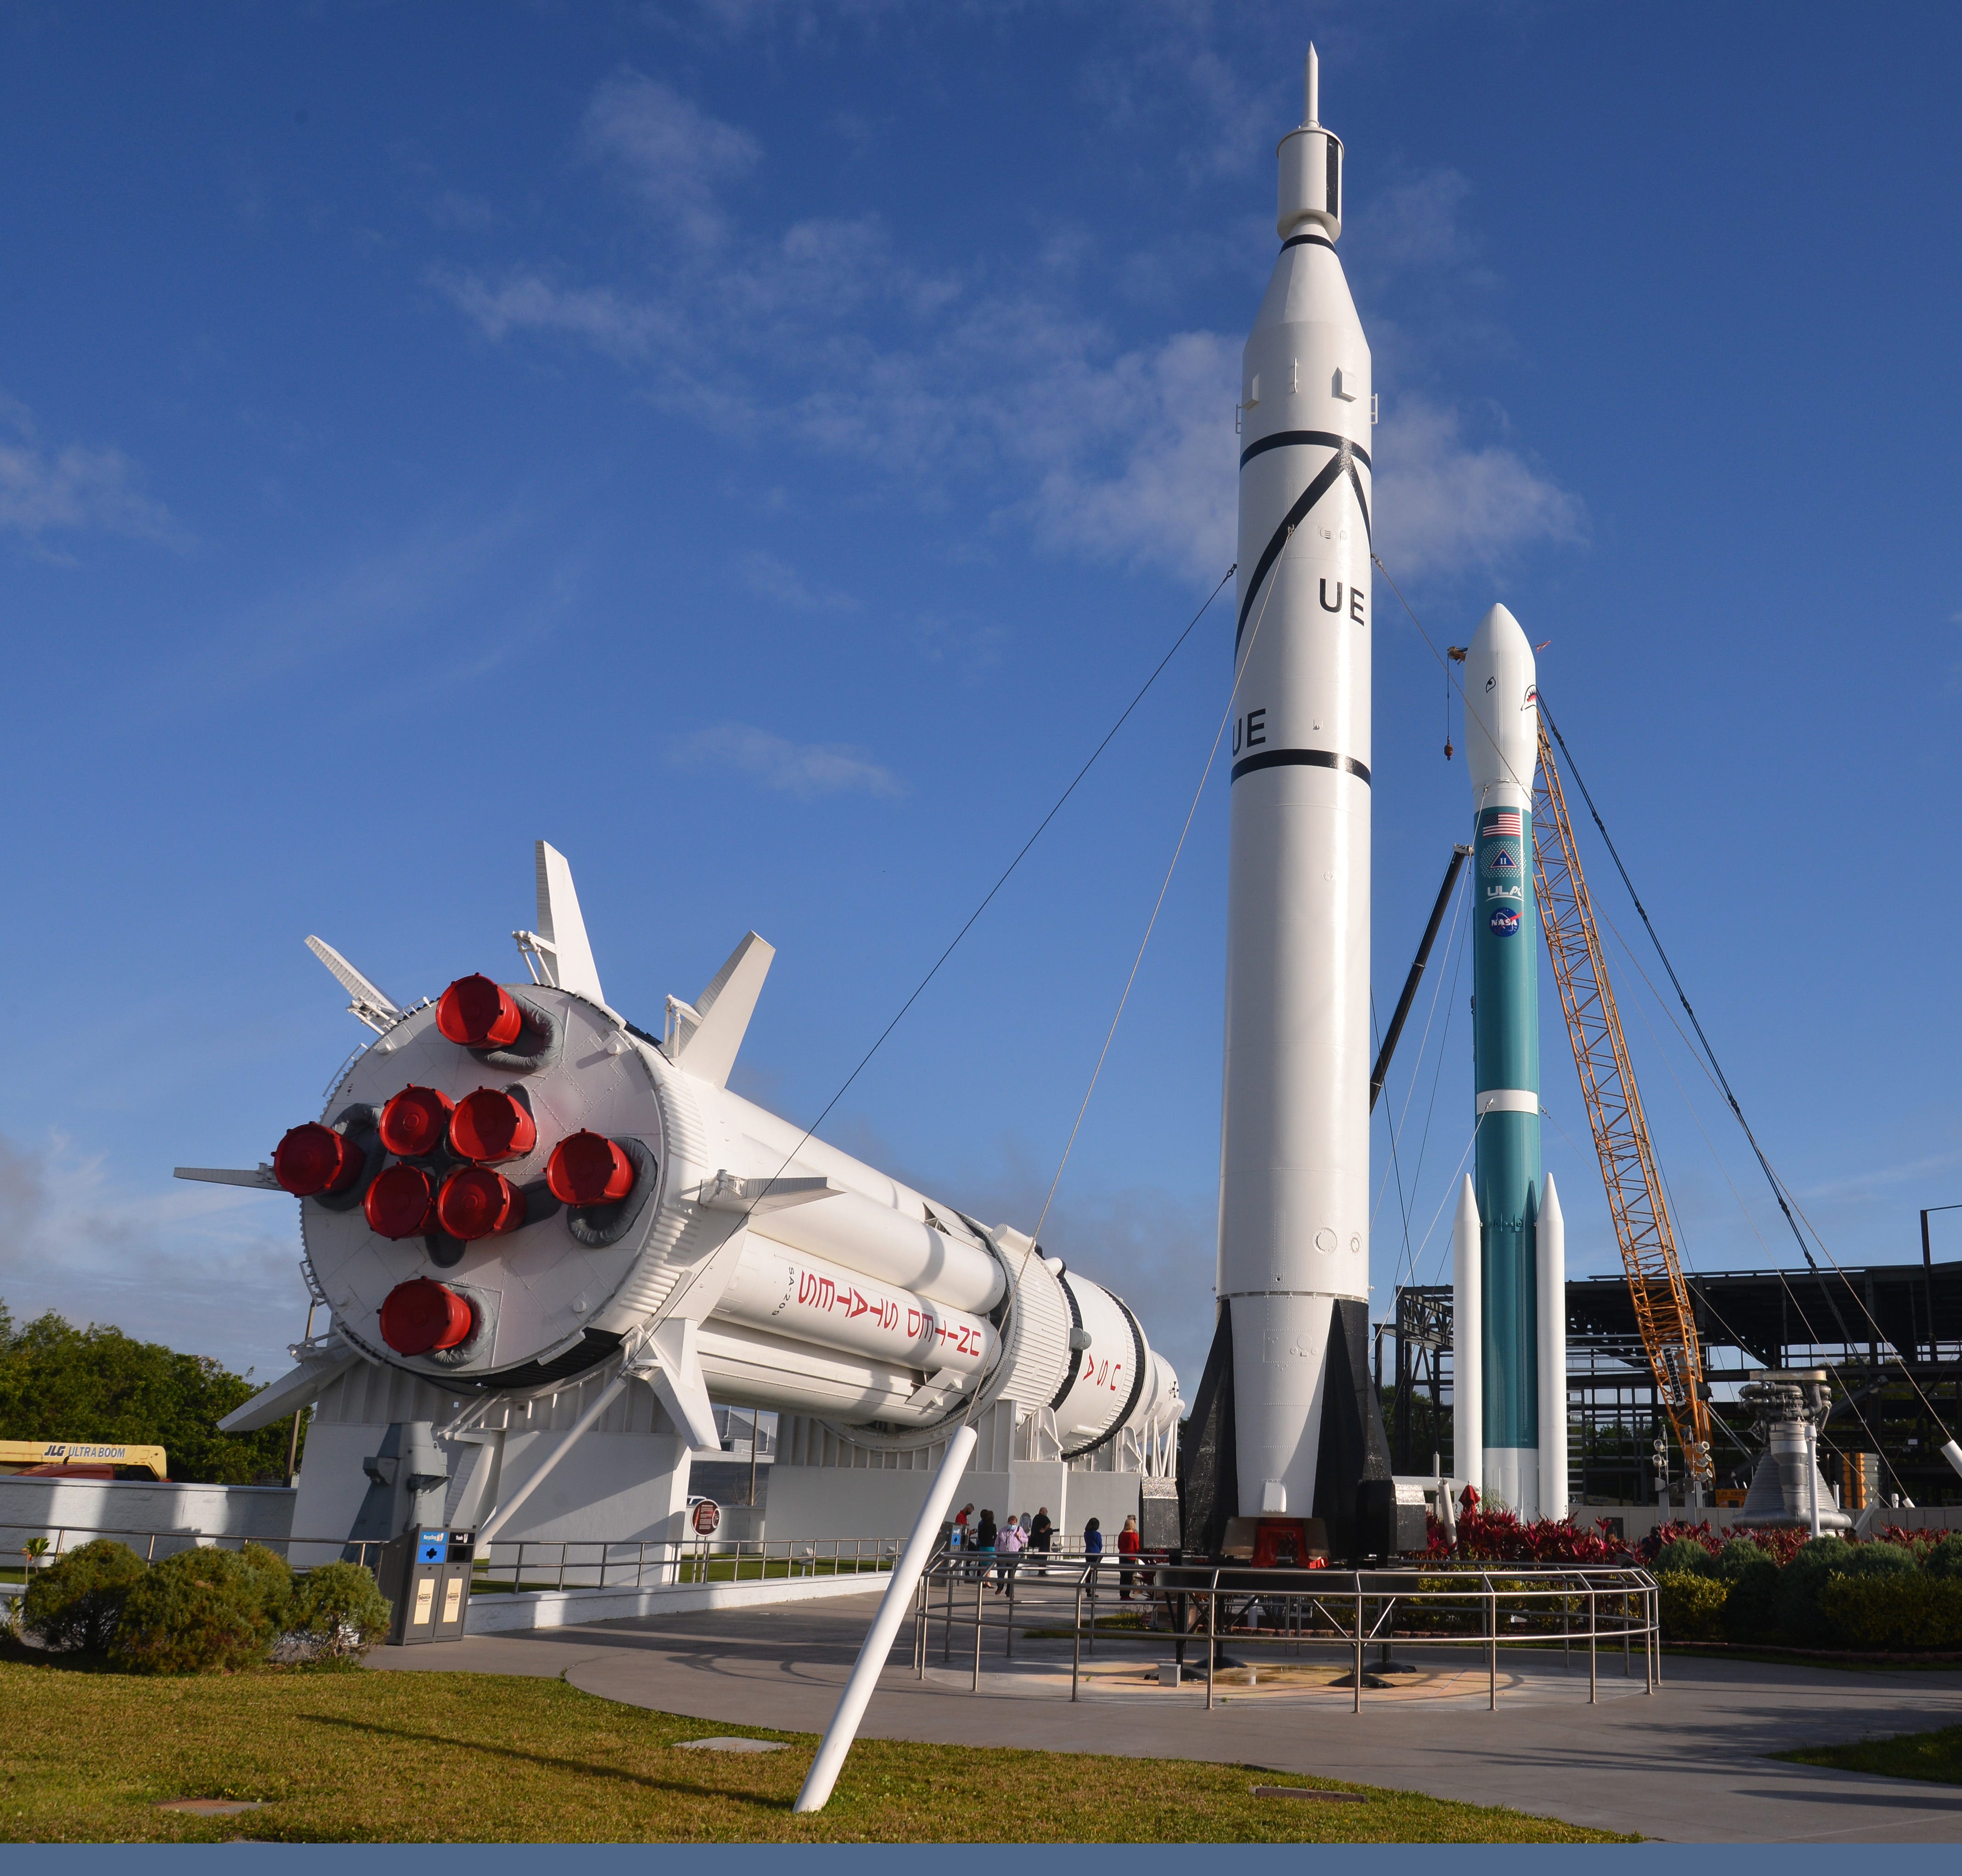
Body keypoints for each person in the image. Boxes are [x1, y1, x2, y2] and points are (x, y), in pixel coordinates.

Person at [995, 1510, 1025, 1593]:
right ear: (1008, 1523)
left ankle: (1009, 1591)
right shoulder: (1003, 1530)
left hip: (1014, 1555)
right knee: (1001, 1572)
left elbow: (1026, 1539)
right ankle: (1000, 1587)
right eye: (1011, 1524)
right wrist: (998, 1552)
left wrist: (1020, 1538)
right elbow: (997, 1542)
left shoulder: (1019, 1530)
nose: (1012, 1526)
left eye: (1014, 1524)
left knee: (1011, 1574)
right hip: (1003, 1554)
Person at [1117, 1512, 1140, 1600]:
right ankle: (1127, 1595)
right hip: (1131, 1557)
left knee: (1123, 1576)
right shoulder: (1134, 1535)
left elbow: (1119, 1546)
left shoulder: (1122, 1534)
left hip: (1122, 1557)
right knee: (1129, 1576)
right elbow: (1137, 1547)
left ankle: (1123, 1594)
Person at [973, 1508, 998, 1583]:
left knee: (983, 1564)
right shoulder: (993, 1526)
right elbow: (995, 1536)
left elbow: (980, 1536)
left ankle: (982, 1580)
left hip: (983, 1546)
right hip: (990, 1546)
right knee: (989, 1564)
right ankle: (988, 1581)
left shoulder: (981, 1526)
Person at [1029, 1507, 1054, 1574]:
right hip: (1045, 1541)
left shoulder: (1036, 1518)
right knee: (1044, 1556)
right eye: (1046, 1512)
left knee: (1041, 1556)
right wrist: (1045, 1530)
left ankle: (1041, 1571)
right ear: (1043, 1512)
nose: (1047, 1513)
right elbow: (1049, 1523)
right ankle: (1042, 1572)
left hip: (1038, 1541)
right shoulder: (1043, 1518)